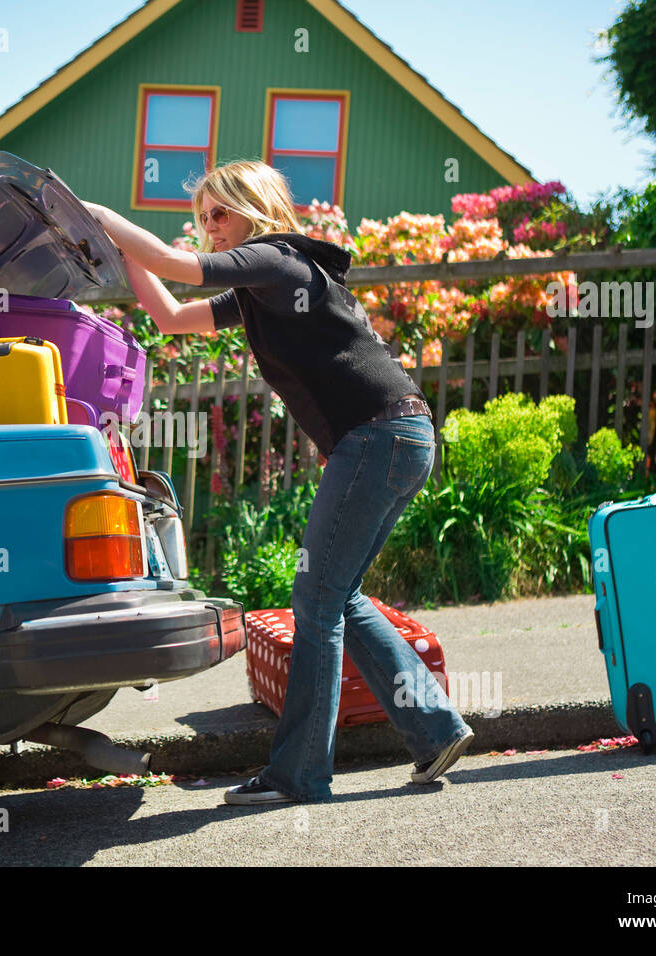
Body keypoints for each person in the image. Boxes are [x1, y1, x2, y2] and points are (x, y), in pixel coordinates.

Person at [81, 160, 473, 805]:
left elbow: (177, 265)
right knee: (337, 596)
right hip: (398, 438)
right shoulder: (265, 285)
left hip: (379, 438)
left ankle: (298, 775)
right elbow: (174, 314)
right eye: (202, 218)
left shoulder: (275, 259)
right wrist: (123, 253)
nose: (209, 228)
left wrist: (102, 219)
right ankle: (434, 729)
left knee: (316, 601)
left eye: (219, 213)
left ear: (254, 209)